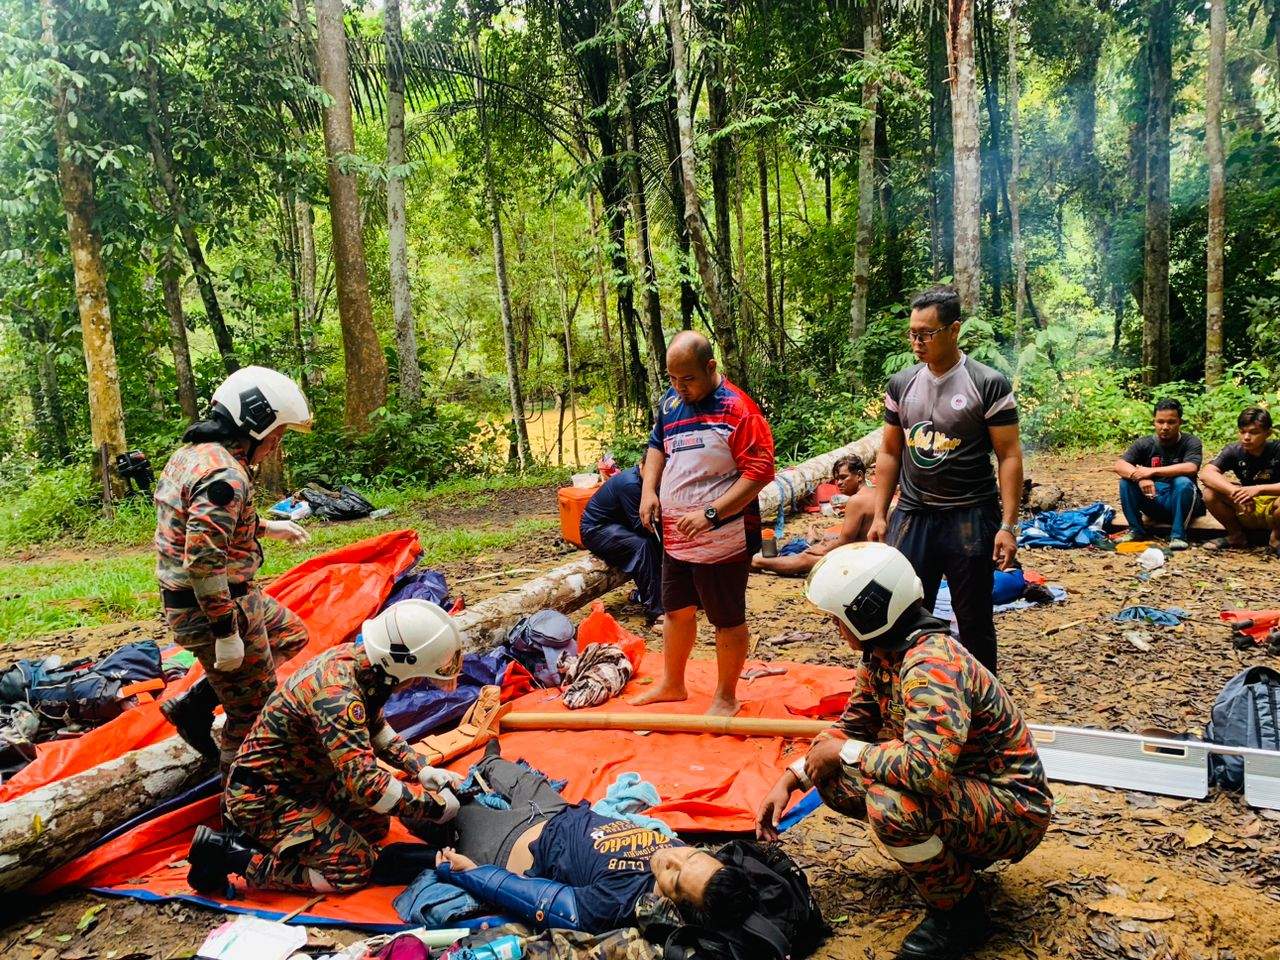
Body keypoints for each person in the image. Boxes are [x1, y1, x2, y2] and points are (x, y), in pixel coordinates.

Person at [756, 543, 1052, 960]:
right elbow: (851, 727)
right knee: (833, 778)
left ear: (867, 612)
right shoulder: (883, 654)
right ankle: (954, 868)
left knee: (890, 804)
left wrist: (844, 750)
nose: (836, 628)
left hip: (1013, 807)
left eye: (838, 618)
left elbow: (926, 771)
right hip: (967, 791)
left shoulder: (931, 665)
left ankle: (961, 913)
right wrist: (794, 776)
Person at [185, 599, 466, 895]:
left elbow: (377, 730)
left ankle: (290, 840)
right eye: (419, 676)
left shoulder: (360, 666)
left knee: (374, 827)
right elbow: (368, 786)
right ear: (400, 665)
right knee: (352, 868)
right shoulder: (338, 696)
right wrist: (435, 808)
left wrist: (420, 768)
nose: (415, 684)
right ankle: (234, 855)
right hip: (265, 796)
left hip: (303, 780)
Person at [156, 366, 314, 771]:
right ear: (256, 427)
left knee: (292, 634)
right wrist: (227, 633)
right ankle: (239, 808)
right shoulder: (225, 475)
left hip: (220, 599)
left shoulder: (195, 454)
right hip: (214, 607)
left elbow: (204, 523)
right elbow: (204, 561)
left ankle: (196, 703)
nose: (276, 448)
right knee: (251, 716)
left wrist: (267, 527)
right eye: (276, 437)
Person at [868, 285, 1022, 674]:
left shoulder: (987, 383)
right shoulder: (902, 384)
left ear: (954, 330)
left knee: (973, 617)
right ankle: (904, 692)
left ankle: (984, 702)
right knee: (902, 610)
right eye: (912, 333)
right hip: (914, 512)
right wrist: (880, 514)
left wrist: (1007, 525)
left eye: (926, 333)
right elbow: (889, 452)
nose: (916, 342)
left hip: (969, 514)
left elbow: (1009, 456)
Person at [431, 748, 753, 934]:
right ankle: (487, 767)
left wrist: (471, 874)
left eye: (676, 876)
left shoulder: (617, 903)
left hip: (511, 841)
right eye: (691, 856)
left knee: (440, 809)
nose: (673, 857)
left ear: (674, 904)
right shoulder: (680, 853)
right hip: (557, 809)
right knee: (498, 766)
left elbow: (535, 897)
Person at [632, 331, 776, 716]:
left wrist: (713, 512)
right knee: (676, 610)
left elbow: (760, 471)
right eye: (673, 379)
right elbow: (656, 447)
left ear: (710, 367)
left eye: (688, 379)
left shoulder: (738, 409)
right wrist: (649, 491)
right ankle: (672, 684)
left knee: (726, 617)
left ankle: (726, 696)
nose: (680, 388)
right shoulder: (670, 403)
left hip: (723, 537)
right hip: (677, 535)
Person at [752, 454, 877, 577]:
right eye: (837, 479)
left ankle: (758, 562)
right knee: (828, 539)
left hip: (859, 559)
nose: (839, 483)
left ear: (859, 476)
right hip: (873, 553)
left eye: (843, 477)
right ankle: (811, 540)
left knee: (806, 558)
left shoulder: (856, 501)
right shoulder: (876, 493)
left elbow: (845, 541)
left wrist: (821, 549)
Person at [580, 454, 663, 624]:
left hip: (620, 527)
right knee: (643, 546)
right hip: (596, 529)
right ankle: (656, 612)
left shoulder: (650, 484)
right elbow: (644, 527)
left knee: (654, 546)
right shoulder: (630, 484)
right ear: (641, 465)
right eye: (653, 469)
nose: (657, 475)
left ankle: (647, 595)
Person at [1111, 398, 1204, 550]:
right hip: (1155, 500)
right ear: (1154, 422)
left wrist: (1151, 471)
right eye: (1160, 422)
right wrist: (1139, 477)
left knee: (1182, 482)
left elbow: (1191, 467)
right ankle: (1136, 530)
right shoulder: (1144, 443)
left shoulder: (1191, 442)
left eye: (1171, 422)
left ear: (1180, 422)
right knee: (1125, 482)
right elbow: (1120, 465)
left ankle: (1178, 535)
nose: (1165, 427)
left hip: (1183, 502)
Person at [1200, 406, 1280, 555]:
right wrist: (1236, 492)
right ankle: (1236, 535)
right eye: (1243, 432)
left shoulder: (1277, 449)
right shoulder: (1234, 450)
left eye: (1254, 432)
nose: (1246, 437)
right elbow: (1206, 473)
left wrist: (1259, 489)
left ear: (1267, 433)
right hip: (1248, 505)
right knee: (1210, 493)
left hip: (1274, 502)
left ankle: (1276, 538)